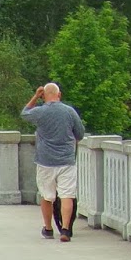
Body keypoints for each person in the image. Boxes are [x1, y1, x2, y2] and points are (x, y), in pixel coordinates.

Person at [20, 82, 85, 242]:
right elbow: (80, 133)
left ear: (44, 96)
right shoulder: (70, 112)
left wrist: (35, 96)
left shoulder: (40, 112)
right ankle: (65, 230)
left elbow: (24, 113)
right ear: (59, 95)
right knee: (67, 195)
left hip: (45, 161)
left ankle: (48, 228)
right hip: (66, 160)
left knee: (47, 196)